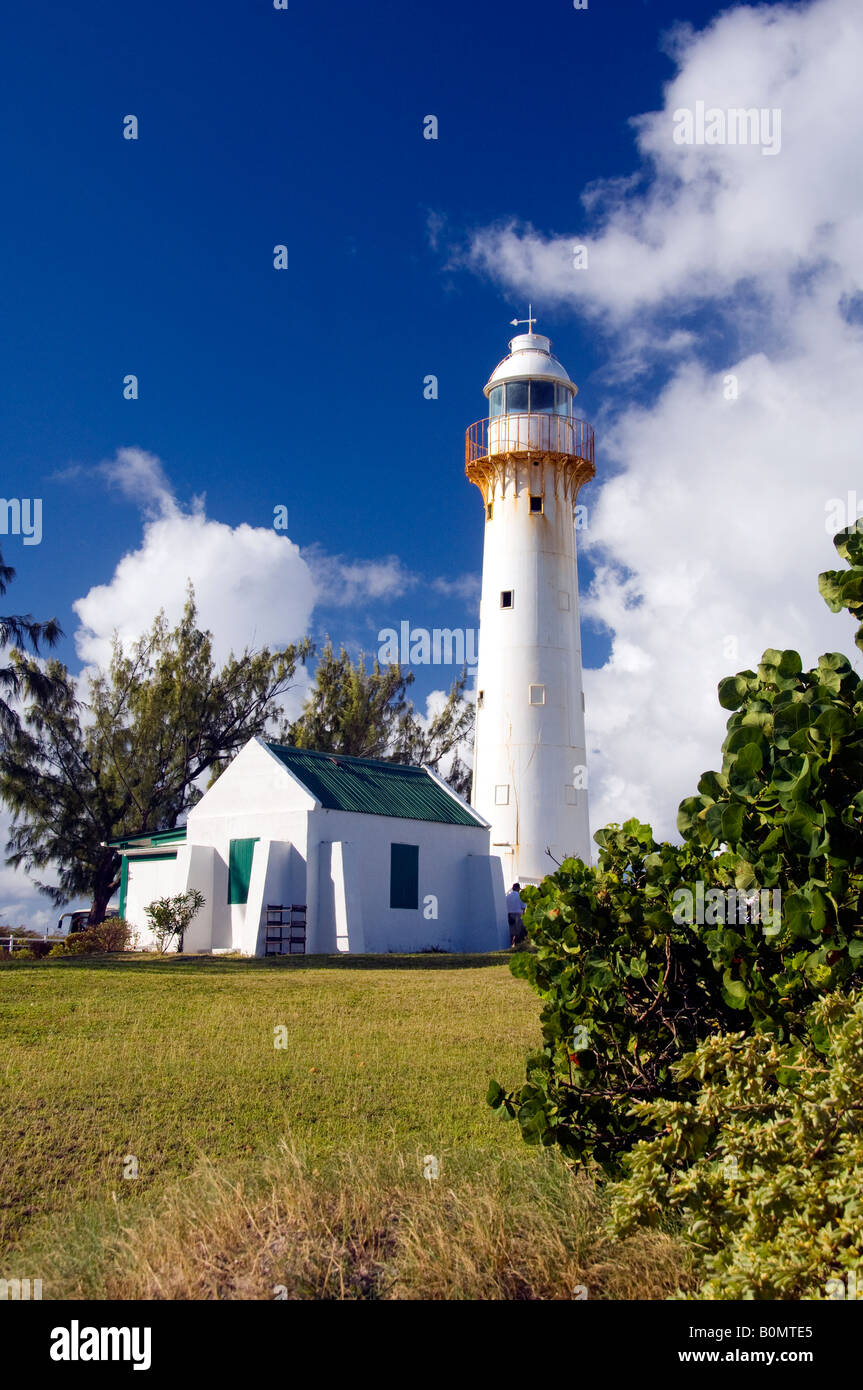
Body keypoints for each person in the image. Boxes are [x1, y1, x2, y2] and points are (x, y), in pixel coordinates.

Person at [506, 882, 526, 948]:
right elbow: (523, 907)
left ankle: (510, 945)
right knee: (519, 932)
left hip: (509, 915)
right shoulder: (520, 896)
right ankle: (518, 946)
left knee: (511, 931)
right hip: (518, 914)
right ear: (518, 889)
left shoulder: (507, 896)